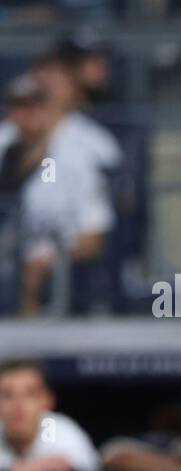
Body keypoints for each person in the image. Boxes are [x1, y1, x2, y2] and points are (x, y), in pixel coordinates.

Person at [0, 75, 115, 316]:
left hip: (59, 273)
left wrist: (51, 260)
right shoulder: (5, 148)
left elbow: (94, 237)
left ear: (49, 109)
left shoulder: (76, 157)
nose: (25, 115)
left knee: (32, 271)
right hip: (8, 261)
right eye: (18, 106)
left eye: (33, 106)